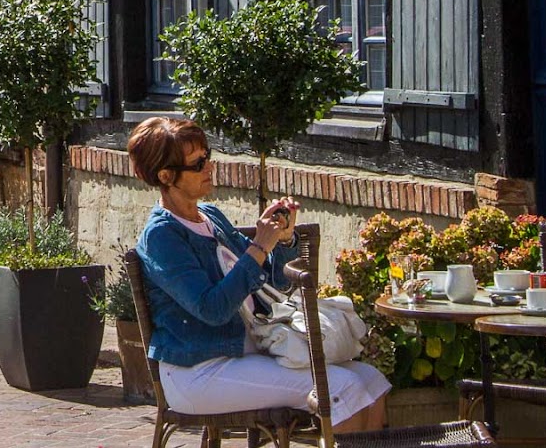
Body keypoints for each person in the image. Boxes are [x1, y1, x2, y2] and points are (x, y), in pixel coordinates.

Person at [130, 116, 389, 433]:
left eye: (208, 156)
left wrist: (283, 240)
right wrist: (258, 248)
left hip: (247, 352)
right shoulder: (162, 236)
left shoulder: (210, 216)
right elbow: (212, 309)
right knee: (342, 388)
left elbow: (272, 283)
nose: (210, 167)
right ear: (166, 176)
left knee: (371, 381)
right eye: (198, 164)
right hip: (197, 371)